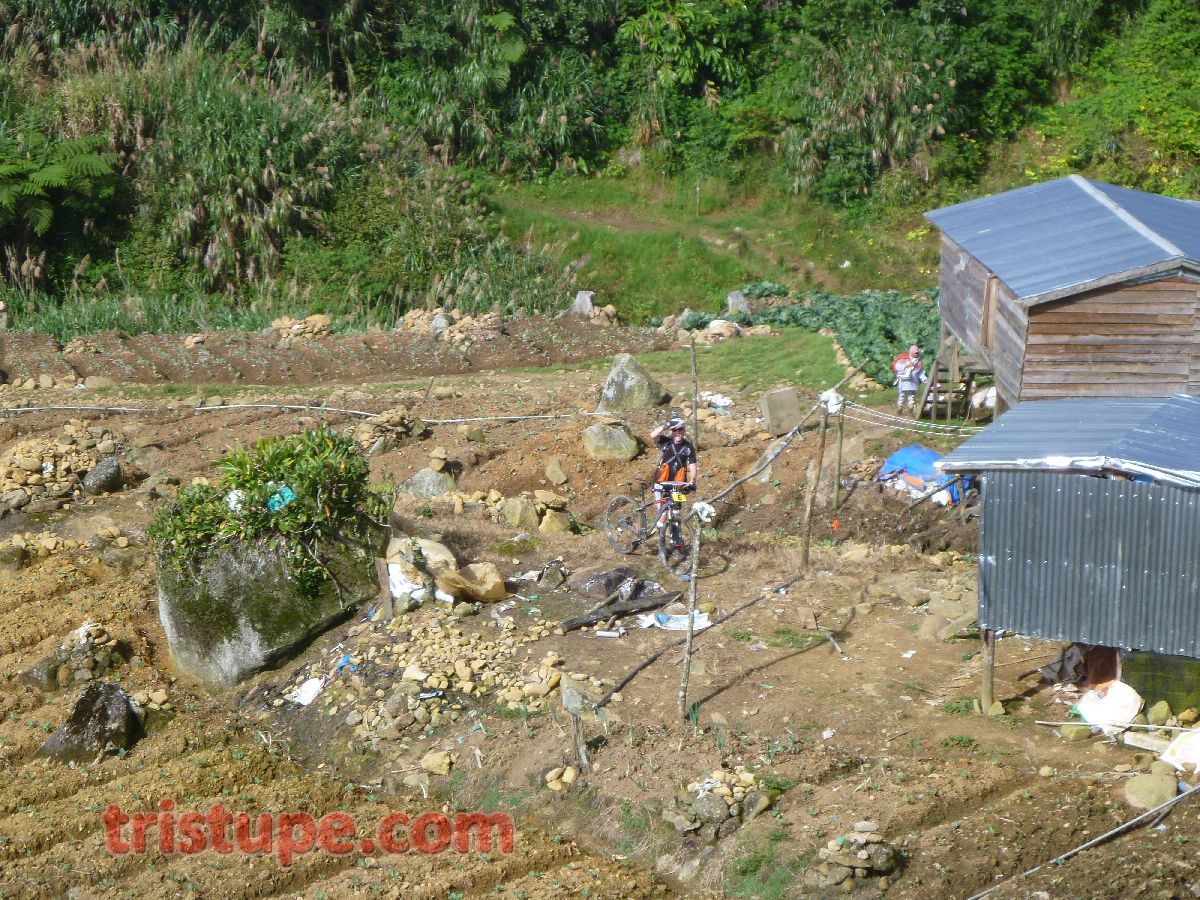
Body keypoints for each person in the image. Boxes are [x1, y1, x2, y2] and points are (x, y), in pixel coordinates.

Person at [648, 416, 697, 531]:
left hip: (677, 484)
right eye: (675, 430)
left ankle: (674, 538)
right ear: (671, 431)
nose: (677, 432)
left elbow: (692, 465)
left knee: (676, 511)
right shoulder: (665, 441)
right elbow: (653, 435)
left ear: (684, 430)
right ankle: (657, 530)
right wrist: (665, 425)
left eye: (680, 429)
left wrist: (692, 480)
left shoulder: (688, 447)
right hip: (661, 482)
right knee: (663, 511)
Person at [892, 344, 926, 415]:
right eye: (915, 352)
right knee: (902, 396)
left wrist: (925, 379)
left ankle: (911, 411)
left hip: (913, 382)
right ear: (911, 352)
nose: (916, 354)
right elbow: (897, 366)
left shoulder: (919, 362)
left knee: (911, 397)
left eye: (917, 352)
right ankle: (899, 410)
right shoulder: (904, 359)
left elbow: (920, 373)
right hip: (904, 382)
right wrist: (906, 365)